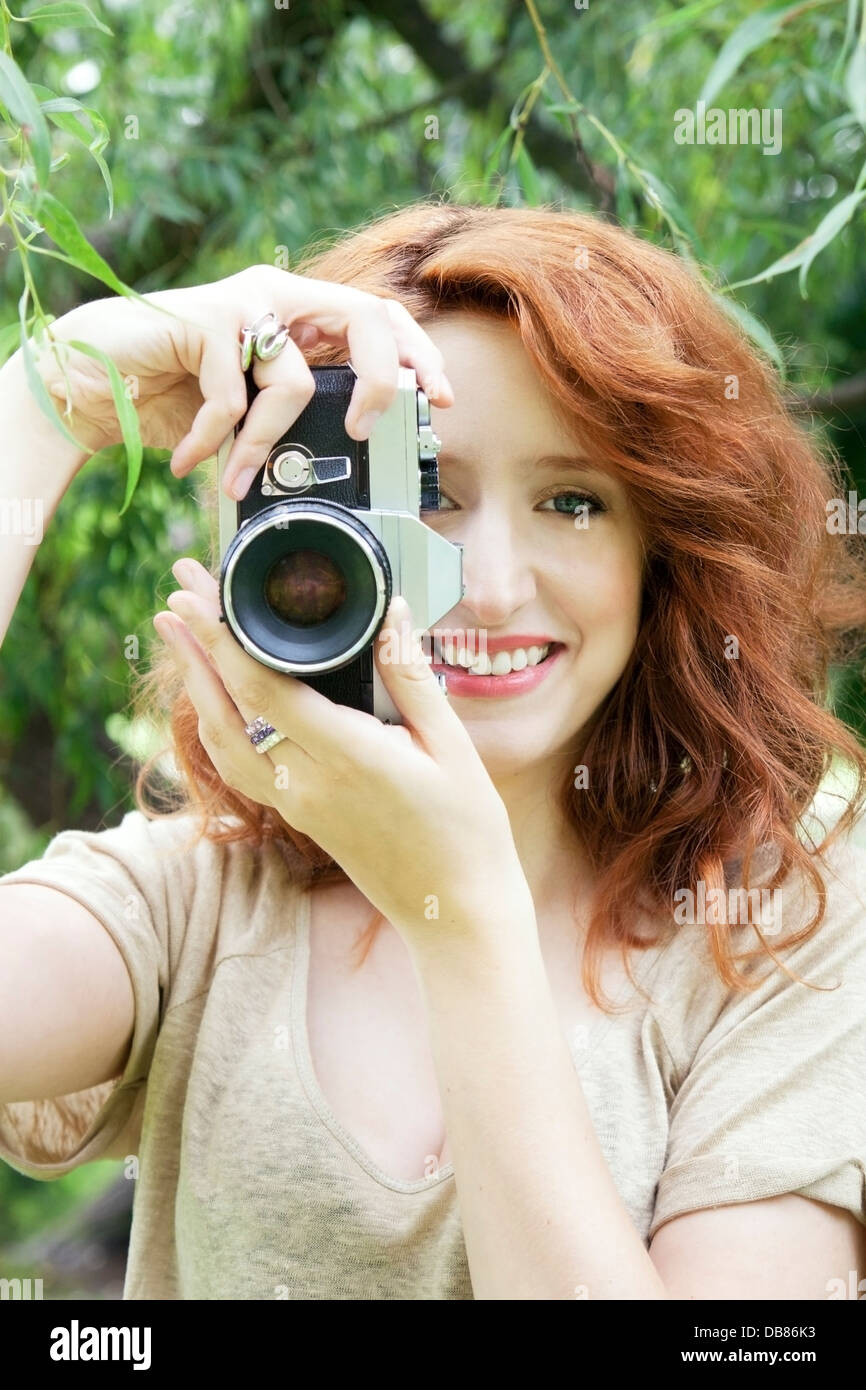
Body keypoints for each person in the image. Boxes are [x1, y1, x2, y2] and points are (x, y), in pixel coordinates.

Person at [1, 199, 865, 1302]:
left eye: (572, 500)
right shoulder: (196, 902)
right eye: (424, 494)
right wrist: (47, 396)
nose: (495, 586)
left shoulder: (781, 933)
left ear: (664, 554)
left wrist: (458, 918)